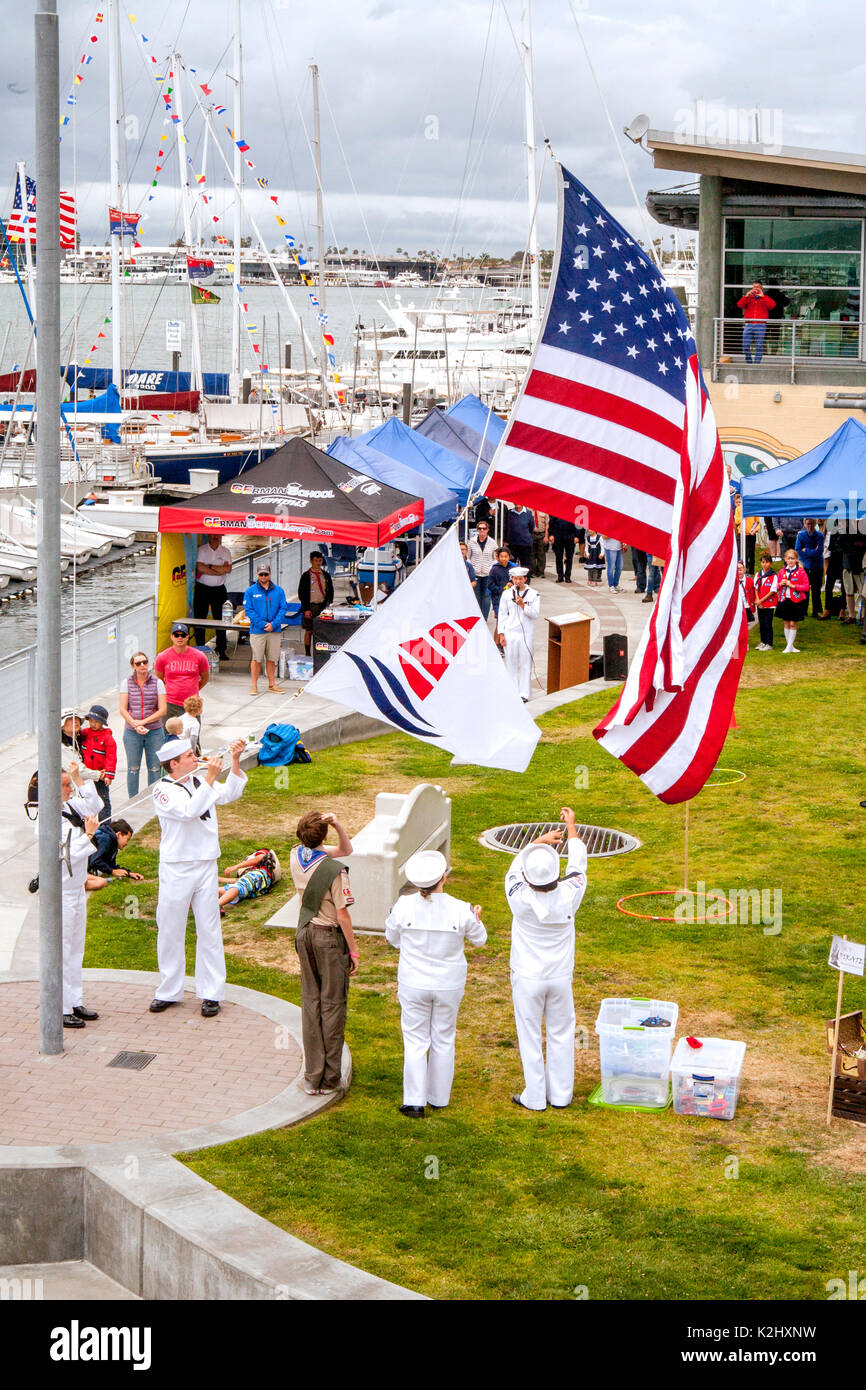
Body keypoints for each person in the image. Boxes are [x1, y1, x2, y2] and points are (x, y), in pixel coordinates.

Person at [149, 736, 248, 1018]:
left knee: (209, 928)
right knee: (170, 927)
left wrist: (235, 761)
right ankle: (169, 990)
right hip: (176, 867)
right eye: (190, 755)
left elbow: (230, 794)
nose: (196, 758)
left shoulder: (199, 782)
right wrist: (210, 778)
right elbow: (188, 812)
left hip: (206, 864)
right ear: (174, 763)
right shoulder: (162, 791)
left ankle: (212, 993)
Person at [384, 849, 487, 1118]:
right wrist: (476, 916)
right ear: (444, 877)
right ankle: (439, 1098)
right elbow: (480, 939)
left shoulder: (403, 905)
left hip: (414, 982)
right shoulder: (460, 908)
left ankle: (414, 1100)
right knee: (443, 1037)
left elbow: (392, 939)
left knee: (415, 1039)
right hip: (448, 983)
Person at [507, 807, 588, 1111]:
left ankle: (536, 1097)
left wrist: (538, 843)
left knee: (529, 1036)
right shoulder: (570, 892)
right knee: (562, 1034)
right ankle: (561, 1095)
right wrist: (572, 828)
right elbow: (579, 866)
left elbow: (515, 869)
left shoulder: (518, 896)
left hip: (527, 977)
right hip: (559, 977)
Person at [290, 811, 359, 1096]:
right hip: (328, 938)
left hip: (304, 933)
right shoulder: (335, 871)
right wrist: (353, 950)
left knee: (311, 1003)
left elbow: (344, 850)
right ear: (325, 836)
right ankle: (330, 1078)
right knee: (332, 1005)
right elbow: (342, 915)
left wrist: (330, 827)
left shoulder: (295, 854)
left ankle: (312, 1075)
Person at [31, 763, 101, 1028]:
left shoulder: (69, 806)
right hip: (60, 892)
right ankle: (60, 1008)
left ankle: (74, 1000)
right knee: (61, 950)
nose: (70, 789)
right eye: (66, 785)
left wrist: (77, 778)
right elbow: (68, 853)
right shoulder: (48, 819)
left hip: (76, 888)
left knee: (75, 949)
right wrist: (90, 834)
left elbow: (94, 807)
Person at [119, 652, 167, 797]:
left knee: (154, 768)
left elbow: (163, 709)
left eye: (144, 662)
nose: (142, 666)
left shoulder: (157, 682)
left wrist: (144, 722)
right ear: (133, 666)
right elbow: (123, 708)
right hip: (132, 732)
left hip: (154, 731)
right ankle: (132, 799)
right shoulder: (126, 682)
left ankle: (153, 798)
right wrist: (135, 724)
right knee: (133, 768)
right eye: (138, 663)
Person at [243, 561, 290, 694]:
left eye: (266, 574)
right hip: (258, 630)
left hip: (274, 630)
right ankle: (254, 685)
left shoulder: (279, 591)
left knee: (271, 658)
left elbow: (283, 608)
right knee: (256, 658)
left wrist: (274, 624)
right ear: (257, 575)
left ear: (270, 574)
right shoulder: (250, 591)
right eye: (261, 574)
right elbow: (249, 610)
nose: (263, 577)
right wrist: (263, 624)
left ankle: (272, 684)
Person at [496, 566, 539, 702]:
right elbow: (502, 615)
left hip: (526, 632)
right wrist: (501, 634)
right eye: (515, 579)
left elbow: (535, 614)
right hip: (510, 632)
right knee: (511, 662)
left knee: (525, 663)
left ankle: (524, 694)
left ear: (525, 579)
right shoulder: (507, 594)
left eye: (520, 579)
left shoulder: (534, 594)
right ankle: (512, 692)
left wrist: (523, 605)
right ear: (512, 579)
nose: (518, 581)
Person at [154, 623, 210, 723]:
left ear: (187, 637)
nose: (180, 638)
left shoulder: (199, 656)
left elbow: (205, 678)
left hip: (192, 704)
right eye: (176, 635)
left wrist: (194, 689)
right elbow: (159, 679)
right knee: (169, 736)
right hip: (170, 704)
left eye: (183, 635)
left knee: (193, 736)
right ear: (171, 637)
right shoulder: (162, 657)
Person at [192, 532, 233, 658]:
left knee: (221, 620)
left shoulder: (225, 551)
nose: (215, 537)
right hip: (202, 589)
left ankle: (221, 649)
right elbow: (200, 568)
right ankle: (200, 648)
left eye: (217, 535)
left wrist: (209, 566)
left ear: (221, 536)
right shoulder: (202, 550)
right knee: (200, 619)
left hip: (219, 590)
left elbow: (227, 569)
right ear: (209, 536)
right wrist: (217, 570)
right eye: (213, 535)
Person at [79, 704, 117, 823]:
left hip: (100, 776)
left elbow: (111, 757)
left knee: (103, 800)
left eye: (96, 721)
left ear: (102, 723)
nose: (93, 724)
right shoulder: (84, 733)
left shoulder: (107, 738)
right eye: (91, 721)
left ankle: (105, 823)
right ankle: (88, 821)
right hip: (87, 775)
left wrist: (109, 774)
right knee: (86, 799)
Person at [86, 818, 143, 891]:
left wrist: (129, 873)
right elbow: (95, 861)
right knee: (101, 882)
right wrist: (112, 871)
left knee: (100, 881)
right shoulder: (105, 839)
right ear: (119, 834)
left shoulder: (113, 842)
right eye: (127, 839)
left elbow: (111, 865)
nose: (127, 843)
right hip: (77, 870)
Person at [218, 848, 281, 914]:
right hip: (260, 883)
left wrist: (235, 867)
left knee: (238, 887)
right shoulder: (252, 873)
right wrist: (221, 879)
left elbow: (257, 859)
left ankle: (217, 906)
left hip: (260, 874)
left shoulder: (263, 852)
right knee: (224, 890)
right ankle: (208, 902)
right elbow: (240, 881)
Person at [297, 550, 334, 657]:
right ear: (311, 561)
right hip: (310, 606)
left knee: (322, 630)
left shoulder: (325, 575)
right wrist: (306, 609)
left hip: (322, 605)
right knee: (309, 630)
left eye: (320, 560)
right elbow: (301, 593)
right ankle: (308, 652)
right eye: (316, 560)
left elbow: (330, 590)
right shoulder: (306, 576)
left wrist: (329, 603)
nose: (318, 563)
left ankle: (319, 652)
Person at [776, 548, 810, 652]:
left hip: (795, 600)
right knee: (786, 622)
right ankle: (790, 646)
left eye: (792, 558)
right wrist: (780, 584)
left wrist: (793, 585)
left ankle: (789, 646)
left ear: (796, 560)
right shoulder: (782, 571)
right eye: (788, 558)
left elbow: (806, 587)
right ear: (785, 559)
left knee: (793, 623)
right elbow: (775, 587)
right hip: (784, 599)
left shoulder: (801, 572)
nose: (790, 561)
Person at [737, 281, 776, 364]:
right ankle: (749, 362)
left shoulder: (765, 298)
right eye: (754, 287)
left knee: (759, 346)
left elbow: (772, 306)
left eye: (757, 287)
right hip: (749, 324)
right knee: (746, 345)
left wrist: (763, 297)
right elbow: (739, 305)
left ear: (761, 288)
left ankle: (757, 364)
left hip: (760, 325)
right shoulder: (749, 298)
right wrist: (746, 296)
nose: (755, 289)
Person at [466, 519, 496, 617]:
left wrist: (490, 568)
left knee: (486, 596)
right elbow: (468, 556)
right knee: (477, 595)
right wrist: (473, 568)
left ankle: (484, 617)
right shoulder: (471, 542)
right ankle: (477, 616)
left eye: (484, 528)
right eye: (480, 528)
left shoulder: (492, 542)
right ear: (477, 530)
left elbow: (495, 558)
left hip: (487, 573)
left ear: (487, 530)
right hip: (476, 573)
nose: (482, 530)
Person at [795, 518, 824, 617]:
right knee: (805, 589)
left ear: (815, 523)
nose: (810, 526)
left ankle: (816, 611)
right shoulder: (801, 535)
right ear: (804, 523)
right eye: (808, 524)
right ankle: (803, 610)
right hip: (805, 566)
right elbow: (798, 550)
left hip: (817, 566)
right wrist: (812, 551)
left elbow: (819, 551)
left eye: (812, 524)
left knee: (816, 590)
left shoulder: (820, 535)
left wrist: (806, 550)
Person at [753, 551, 779, 650]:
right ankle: (763, 641)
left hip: (769, 604)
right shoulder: (758, 575)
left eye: (767, 562)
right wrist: (757, 600)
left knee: (768, 624)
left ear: (770, 563)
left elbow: (772, 591)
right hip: (760, 604)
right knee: (762, 623)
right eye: (763, 562)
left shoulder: (773, 576)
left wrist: (761, 601)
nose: (764, 564)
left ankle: (769, 643)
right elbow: (755, 588)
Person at [487, 546, 515, 621]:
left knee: (510, 621)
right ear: (498, 558)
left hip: (512, 599)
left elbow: (519, 582)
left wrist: (513, 585)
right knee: (500, 622)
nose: (503, 558)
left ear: (509, 557)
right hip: (498, 599)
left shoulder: (513, 568)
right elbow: (490, 585)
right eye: (501, 556)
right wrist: (503, 589)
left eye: (506, 556)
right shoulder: (494, 569)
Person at [549, 515, 578, 584]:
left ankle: (568, 576)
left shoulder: (572, 512)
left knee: (569, 557)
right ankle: (560, 576)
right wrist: (551, 534)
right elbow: (551, 524)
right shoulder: (556, 511)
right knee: (558, 557)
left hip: (570, 536)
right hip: (558, 536)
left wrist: (577, 536)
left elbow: (577, 525)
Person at [505, 503, 533, 570]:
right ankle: (512, 579)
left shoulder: (528, 513)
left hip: (525, 543)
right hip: (512, 543)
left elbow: (531, 527)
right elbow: (506, 527)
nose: (517, 503)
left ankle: (526, 579)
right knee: (512, 563)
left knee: (525, 563)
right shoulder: (510, 513)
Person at [531, 511, 548, 578]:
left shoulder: (544, 510)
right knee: (532, 554)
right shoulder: (529, 510)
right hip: (532, 534)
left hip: (542, 534)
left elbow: (547, 524)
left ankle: (541, 572)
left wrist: (546, 536)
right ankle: (533, 571)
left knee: (541, 553)